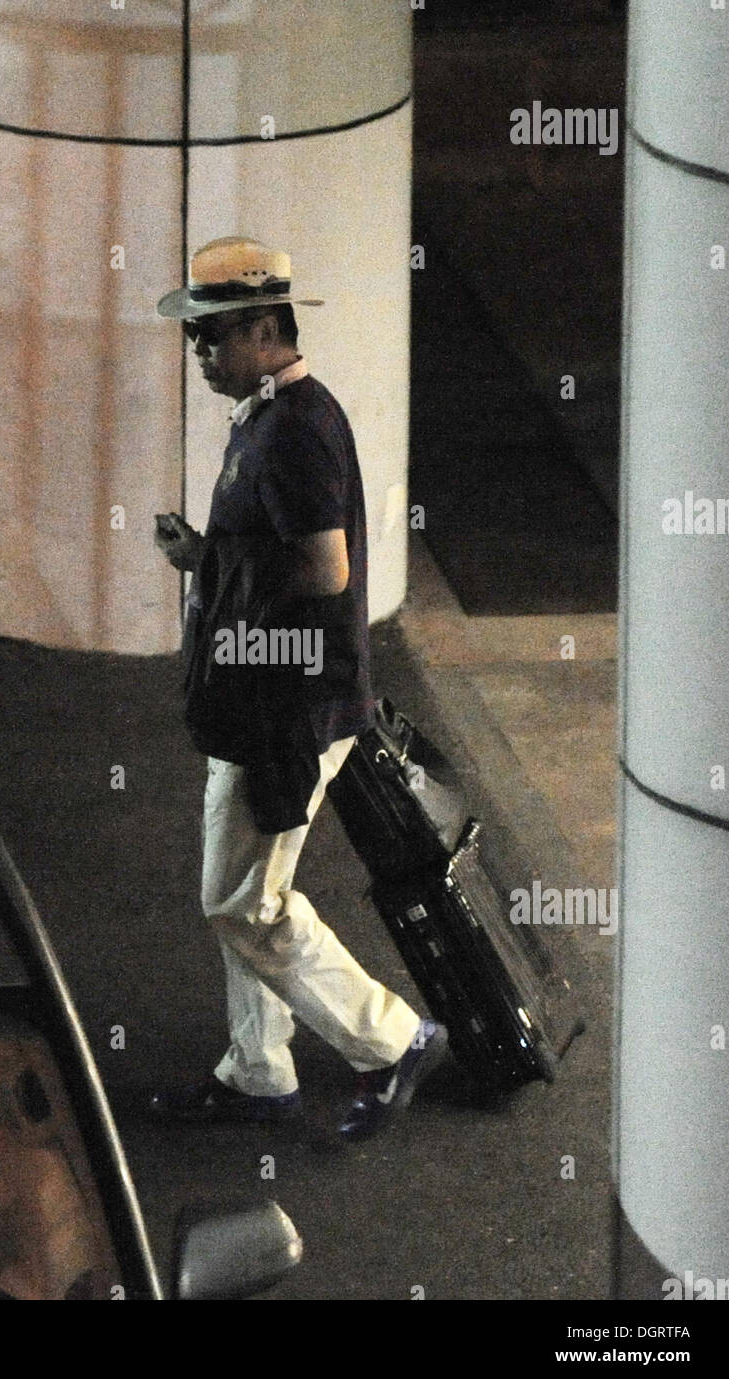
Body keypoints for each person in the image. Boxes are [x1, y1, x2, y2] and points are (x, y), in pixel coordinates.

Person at [151, 237, 447, 1141]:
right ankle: (255, 1067)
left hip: (286, 709)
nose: (196, 354)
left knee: (239, 902)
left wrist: (229, 590)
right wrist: (207, 558)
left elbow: (323, 572)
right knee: (247, 891)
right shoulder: (266, 417)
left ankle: (391, 1039)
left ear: (258, 329)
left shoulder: (295, 429)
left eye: (207, 337)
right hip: (261, 703)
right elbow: (281, 560)